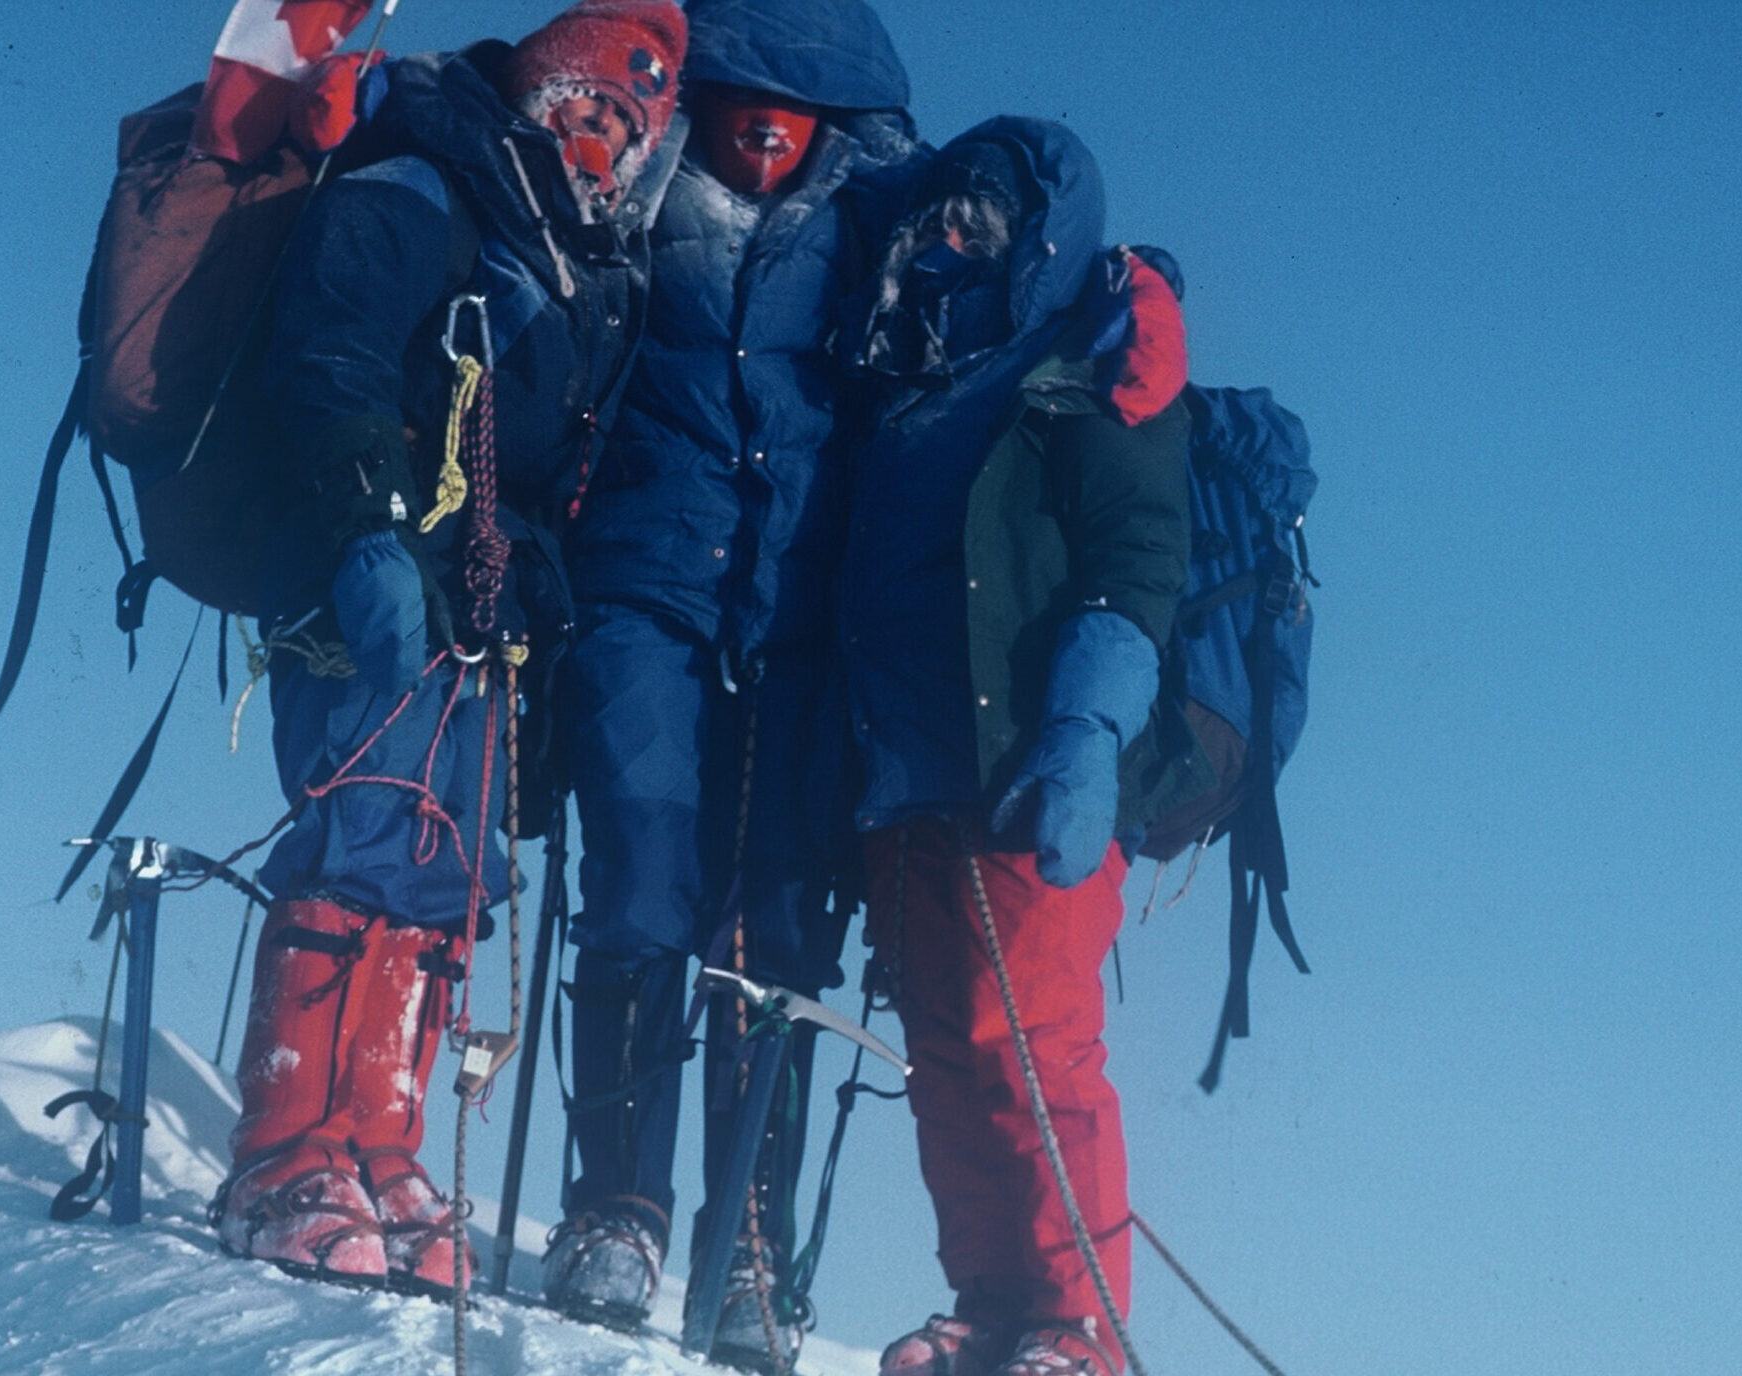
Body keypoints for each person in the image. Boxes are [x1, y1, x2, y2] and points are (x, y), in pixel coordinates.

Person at [213, 0, 688, 1299]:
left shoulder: (564, 255)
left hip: (479, 607)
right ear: (537, 91)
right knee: (362, 834)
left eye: (627, 125)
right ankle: (285, 1150)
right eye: (586, 103)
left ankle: (378, 1147)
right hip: (368, 574)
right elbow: (333, 350)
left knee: (446, 870)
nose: (601, 139)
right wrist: (364, 532)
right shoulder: (427, 181)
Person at [539, 0, 916, 1366]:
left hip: (800, 622)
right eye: (744, 87)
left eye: (795, 98)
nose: (765, 119)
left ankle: (746, 1245)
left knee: (775, 930)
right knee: (640, 876)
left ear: (836, 115)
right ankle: (616, 1213)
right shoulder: (622, 198)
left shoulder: (882, 232)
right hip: (643, 591)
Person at [835, 120, 1192, 1376]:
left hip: (1027, 763)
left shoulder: (1096, 359)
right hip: (905, 769)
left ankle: (1075, 1320)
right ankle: (992, 1302)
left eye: (983, 216)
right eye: (943, 211)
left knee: (1033, 1039)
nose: (953, 232)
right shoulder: (900, 366)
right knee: (944, 1052)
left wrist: (1088, 722)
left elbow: (1137, 556)